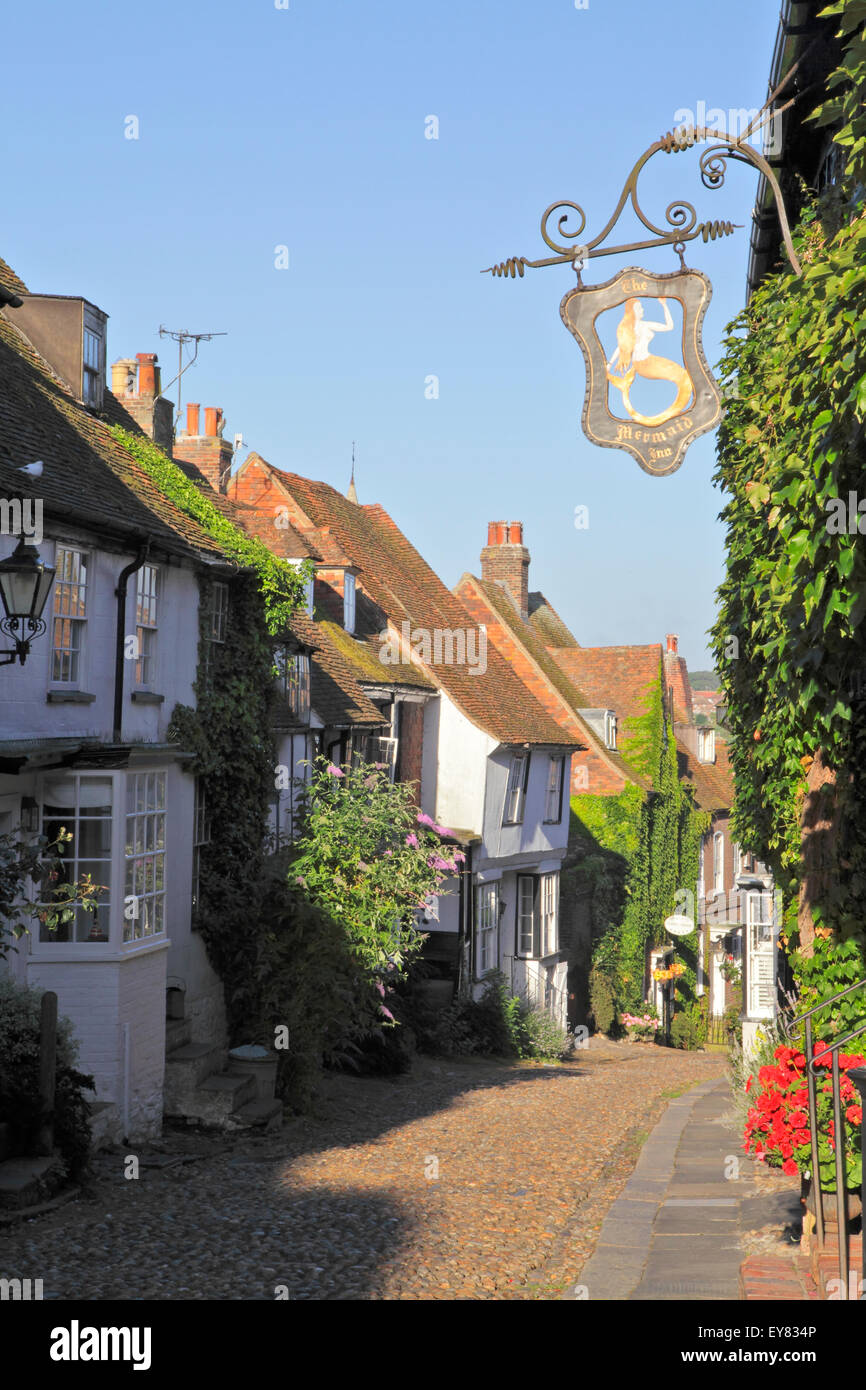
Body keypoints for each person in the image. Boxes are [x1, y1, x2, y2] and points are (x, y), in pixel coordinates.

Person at [606, 297, 694, 426]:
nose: (642, 310)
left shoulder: (644, 325)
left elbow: (669, 326)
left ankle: (666, 416)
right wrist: (609, 364)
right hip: (643, 364)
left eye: (641, 307)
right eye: (639, 308)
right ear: (633, 311)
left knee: (685, 379)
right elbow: (621, 347)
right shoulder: (628, 329)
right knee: (684, 378)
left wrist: (664, 305)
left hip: (648, 360)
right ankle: (664, 416)